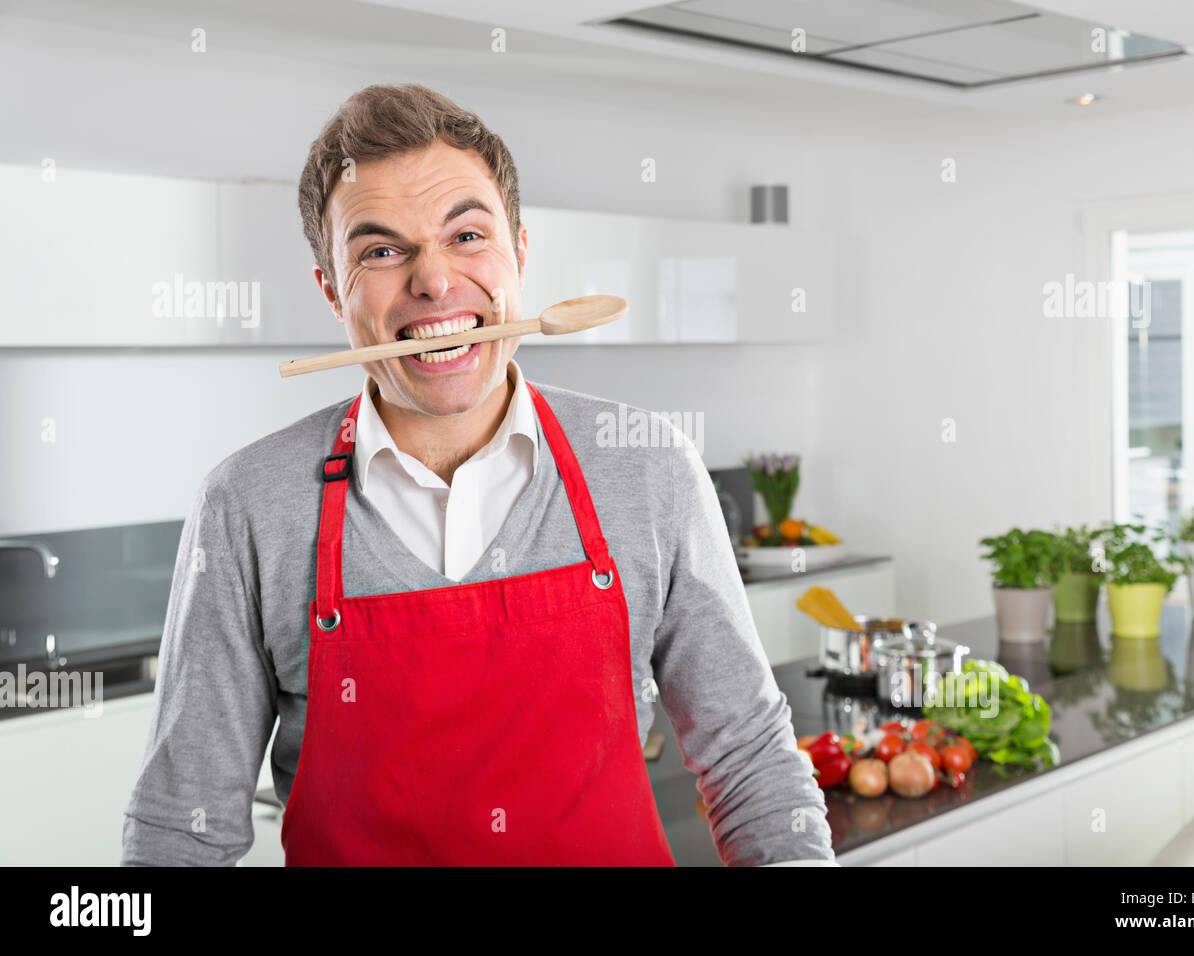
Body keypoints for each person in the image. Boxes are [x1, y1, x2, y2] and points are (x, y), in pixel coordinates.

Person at [121, 83, 835, 866]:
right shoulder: (248, 507)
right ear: (331, 290)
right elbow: (179, 835)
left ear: (520, 254)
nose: (433, 282)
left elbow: (753, 762)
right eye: (381, 251)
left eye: (466, 235)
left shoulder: (648, 467)